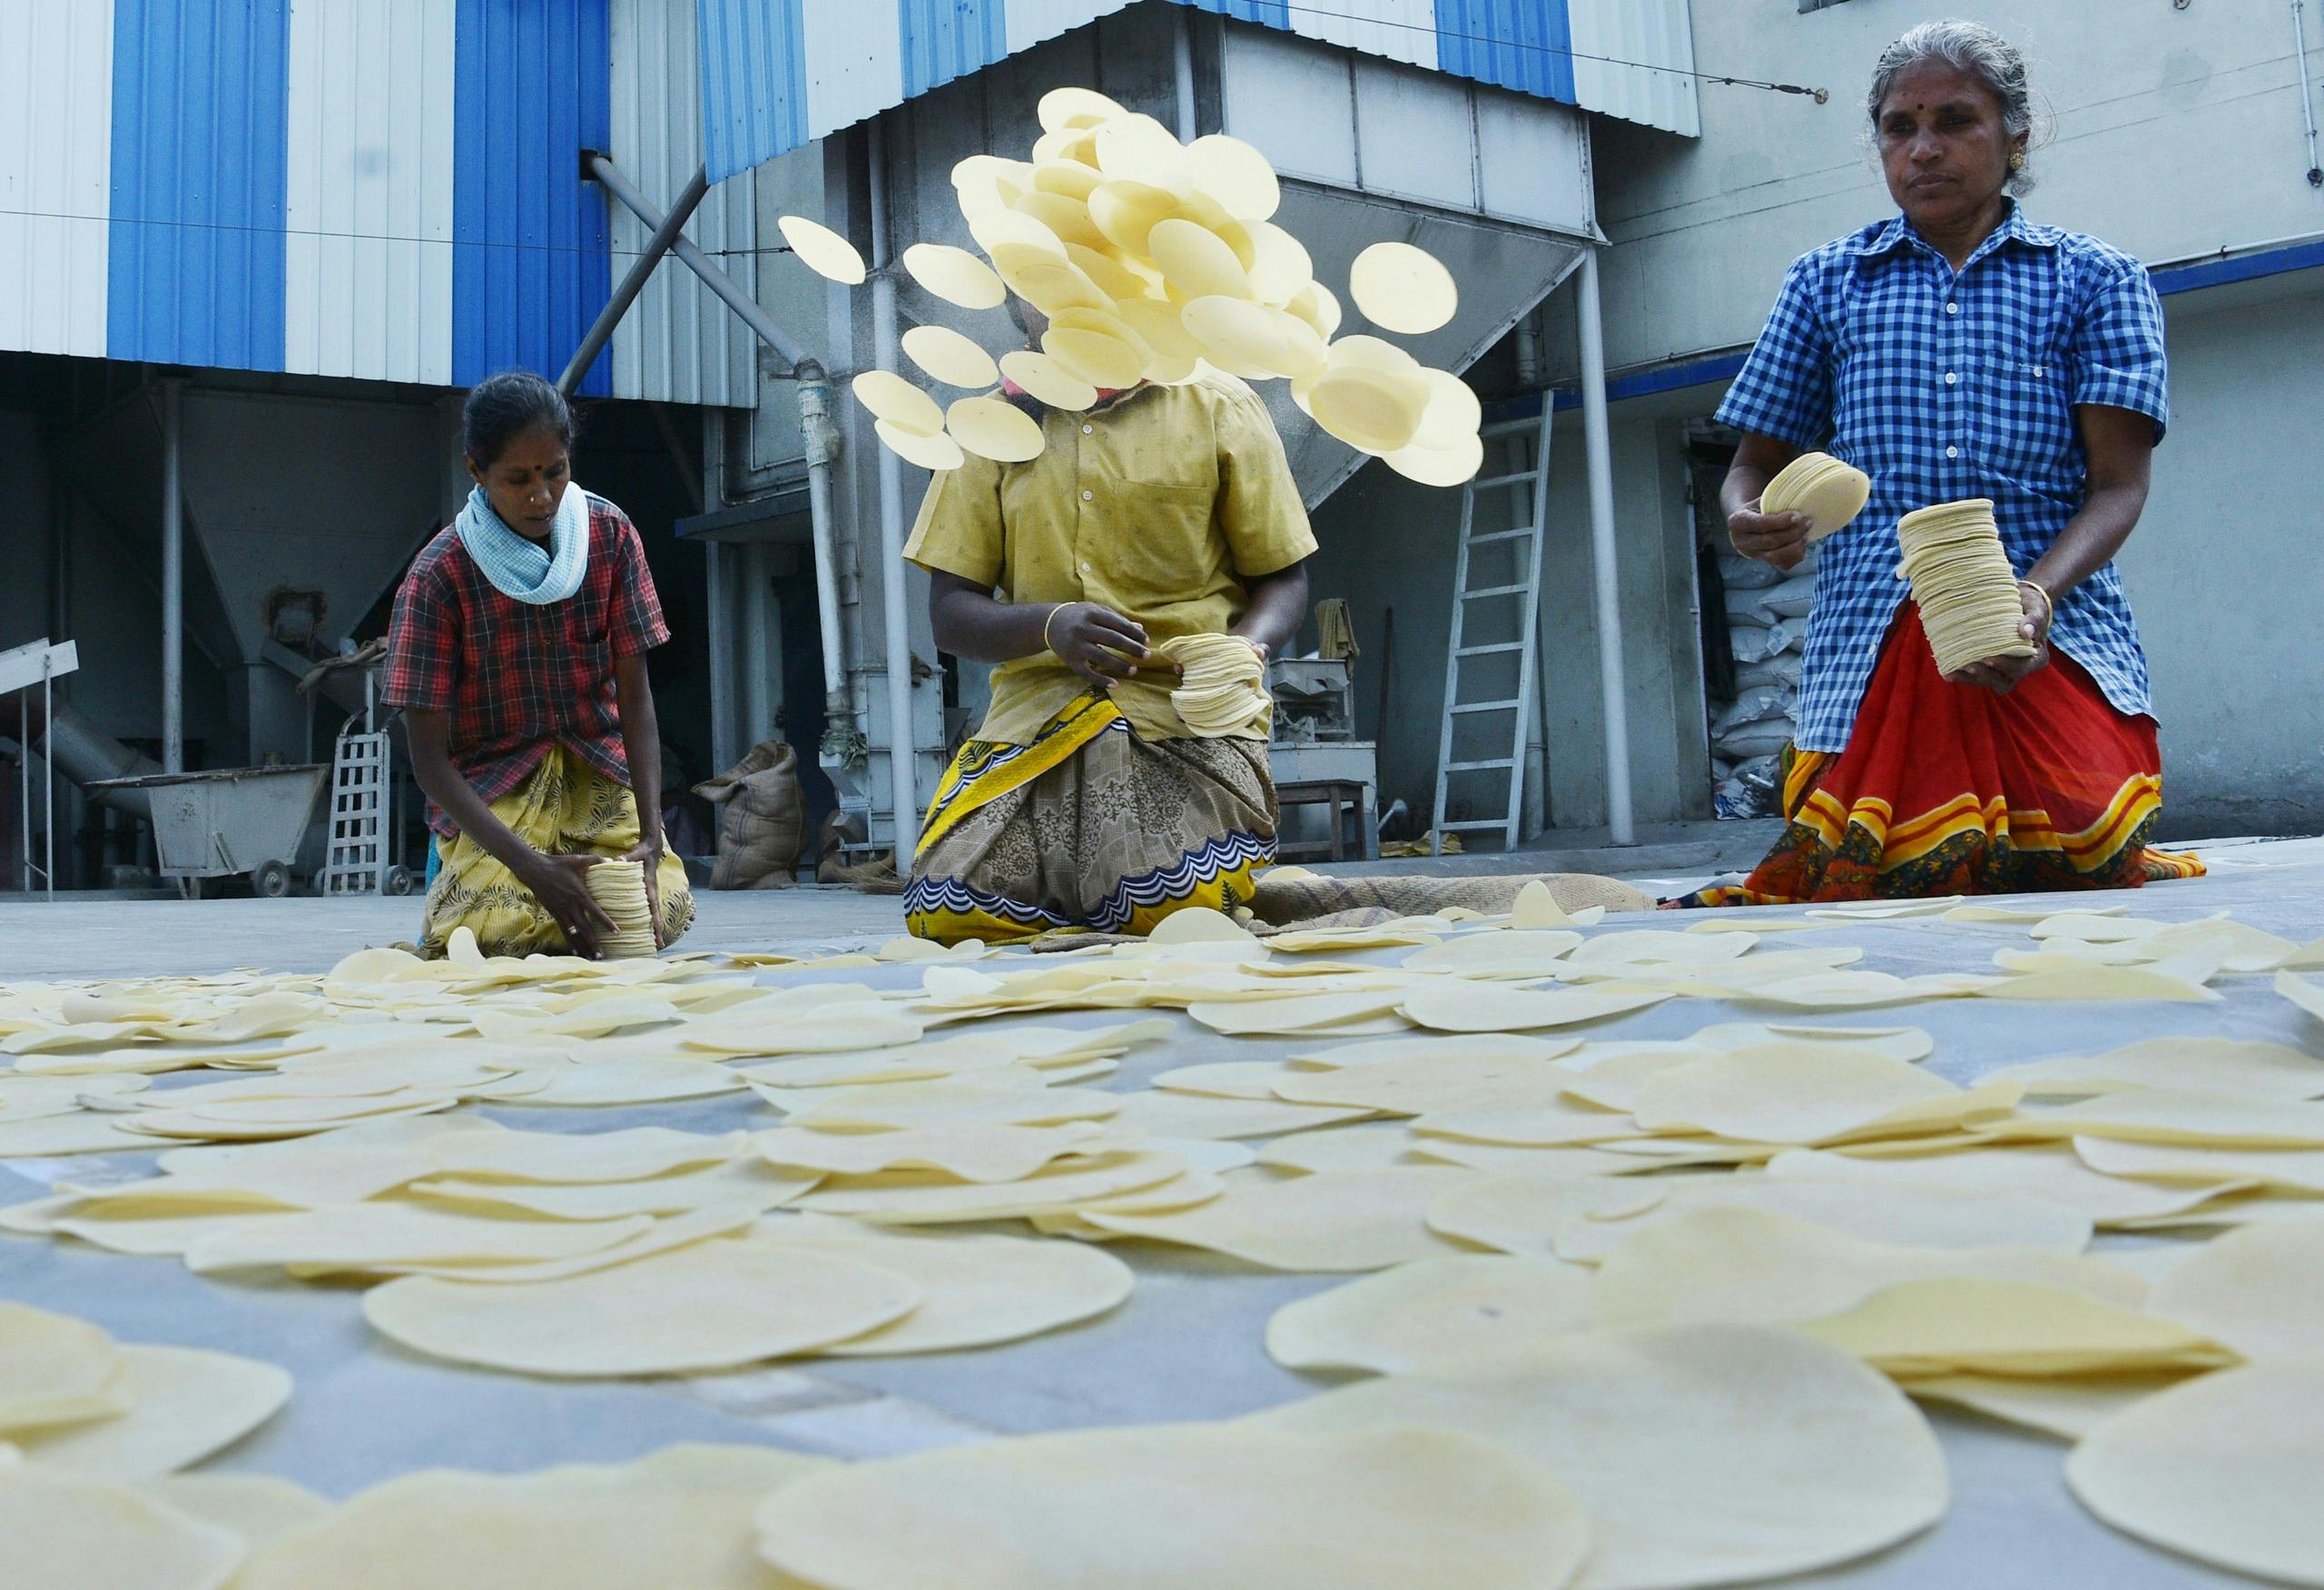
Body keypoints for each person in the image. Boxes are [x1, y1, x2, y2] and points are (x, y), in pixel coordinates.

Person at [1682, 21, 2202, 906]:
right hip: (1871, 658)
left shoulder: (2096, 281)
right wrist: (1744, 516)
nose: (1922, 150)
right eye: (1898, 126)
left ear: (2016, 135)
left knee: (2069, 877)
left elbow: (2117, 489)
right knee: (1888, 907)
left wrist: (2031, 596)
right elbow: (1752, 464)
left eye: (1954, 121)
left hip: (2053, 642)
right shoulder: (1825, 283)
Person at [901, 307, 1315, 943]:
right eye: (1040, 285)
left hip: (1181, 719)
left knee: (1170, 906)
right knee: (949, 911)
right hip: (1035, 721)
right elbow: (949, 615)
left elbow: (1283, 579)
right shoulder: (987, 425)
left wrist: (1243, 651)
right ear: (1019, 310)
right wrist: (1050, 626)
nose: (1064, 298)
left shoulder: (1218, 403)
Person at [384, 371, 694, 957]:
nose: (542, 496)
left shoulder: (611, 537)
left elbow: (635, 699)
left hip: (596, 769)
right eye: (518, 479)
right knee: (499, 932)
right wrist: (532, 867)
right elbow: (428, 759)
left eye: (555, 471)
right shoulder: (438, 576)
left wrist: (652, 836)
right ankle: (455, 899)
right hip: (495, 783)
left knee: (658, 912)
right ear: (477, 472)